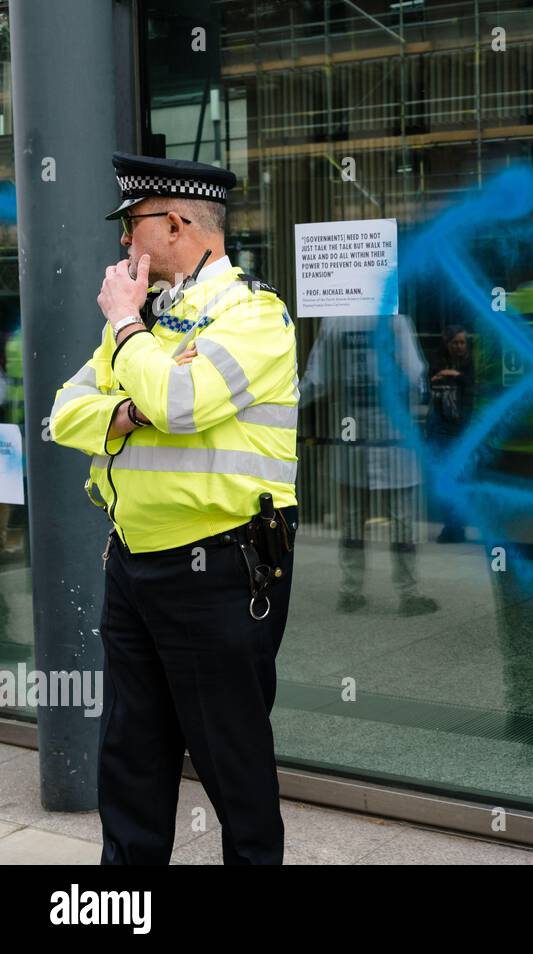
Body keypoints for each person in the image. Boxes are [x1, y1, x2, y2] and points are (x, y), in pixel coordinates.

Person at [49, 153, 299, 864]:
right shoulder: (151, 322)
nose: (126, 244)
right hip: (132, 564)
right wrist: (131, 405)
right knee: (131, 758)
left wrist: (128, 336)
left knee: (233, 766)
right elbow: (67, 411)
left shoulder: (253, 314)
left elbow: (181, 406)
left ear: (176, 222)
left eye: (134, 226)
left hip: (221, 567)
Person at [299, 312, 440, 616]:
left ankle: (350, 591)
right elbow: (415, 374)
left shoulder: (335, 321)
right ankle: (409, 594)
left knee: (352, 521)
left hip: (354, 435)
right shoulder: (396, 319)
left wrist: (284, 408)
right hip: (394, 435)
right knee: (402, 523)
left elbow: (318, 379)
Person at [425, 325, 474, 544]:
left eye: (462, 342)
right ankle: (450, 526)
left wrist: (454, 375)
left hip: (461, 430)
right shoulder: (437, 362)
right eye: (455, 342)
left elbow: (472, 386)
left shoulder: (471, 364)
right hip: (442, 429)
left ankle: (458, 526)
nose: (459, 347)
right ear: (447, 344)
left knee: (459, 479)